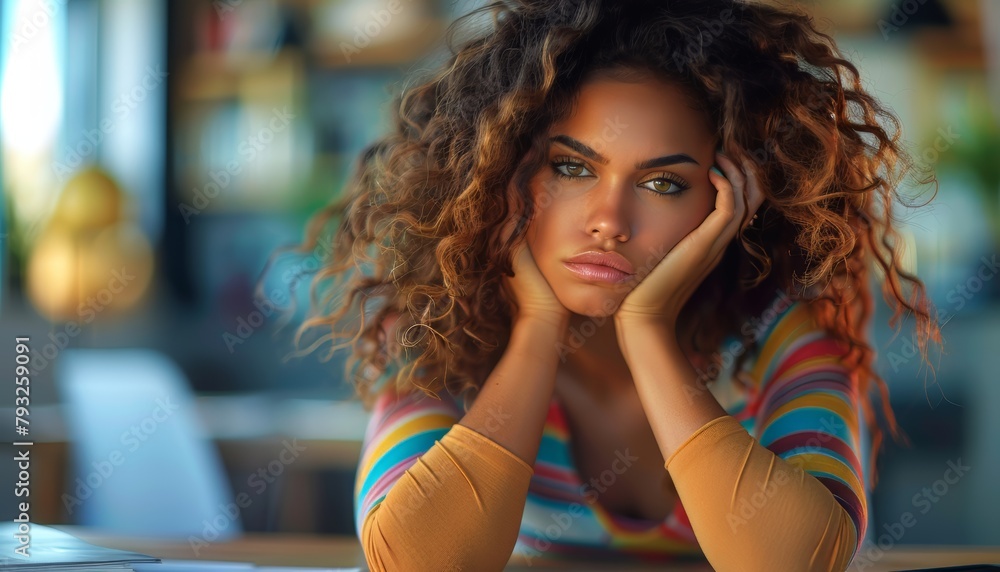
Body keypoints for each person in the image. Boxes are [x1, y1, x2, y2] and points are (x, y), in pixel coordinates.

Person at [291, 1, 942, 570]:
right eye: (572, 167)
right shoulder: (439, 322)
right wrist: (537, 333)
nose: (608, 221)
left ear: (733, 202)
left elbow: (796, 565)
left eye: (664, 183)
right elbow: (415, 563)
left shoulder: (784, 329)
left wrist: (647, 331)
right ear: (501, 172)